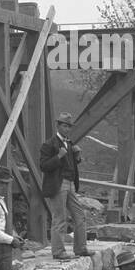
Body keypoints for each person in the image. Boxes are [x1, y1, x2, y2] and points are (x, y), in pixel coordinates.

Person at [40, 112, 89, 261]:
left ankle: (81, 248)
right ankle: (58, 252)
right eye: (64, 126)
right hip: (58, 183)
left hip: (70, 183)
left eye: (69, 126)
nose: (67, 129)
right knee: (60, 219)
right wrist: (59, 156)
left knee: (79, 215)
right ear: (58, 126)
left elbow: (70, 165)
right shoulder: (49, 144)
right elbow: (43, 166)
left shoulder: (69, 143)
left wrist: (77, 157)